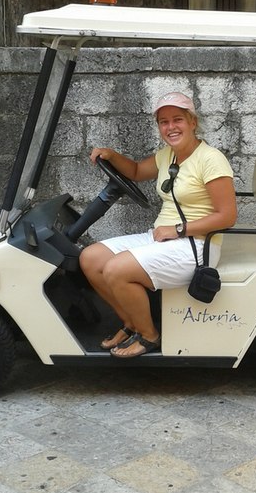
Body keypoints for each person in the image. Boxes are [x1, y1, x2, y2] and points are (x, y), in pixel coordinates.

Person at [79, 92, 237, 358]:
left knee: (116, 269)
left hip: (197, 245)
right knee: (91, 258)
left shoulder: (211, 159)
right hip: (164, 238)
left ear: (193, 122)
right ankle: (131, 323)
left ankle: (149, 334)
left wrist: (177, 230)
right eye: (164, 122)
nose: (170, 127)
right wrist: (111, 155)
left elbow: (227, 216)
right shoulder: (168, 156)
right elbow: (137, 171)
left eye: (178, 119)